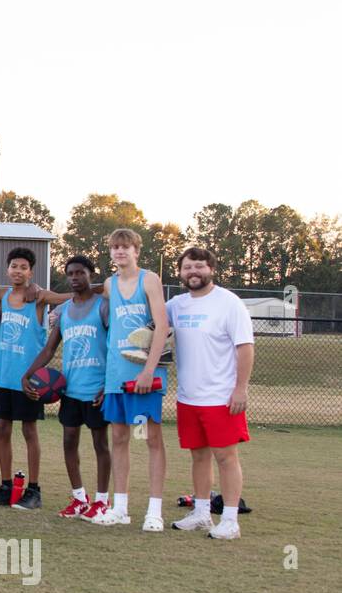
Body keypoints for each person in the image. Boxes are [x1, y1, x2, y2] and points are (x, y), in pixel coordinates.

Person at [166, 247, 254, 541]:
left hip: (221, 397)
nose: (193, 272)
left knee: (226, 457)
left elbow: (245, 347)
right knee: (198, 456)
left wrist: (240, 388)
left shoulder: (229, 303)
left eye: (199, 266)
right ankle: (202, 513)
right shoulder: (176, 305)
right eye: (188, 267)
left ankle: (229, 520)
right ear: (180, 272)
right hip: (189, 396)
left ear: (211, 270)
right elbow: (150, 321)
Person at [89, 228, 170, 530]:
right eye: (115, 247)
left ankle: (154, 511)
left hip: (144, 373)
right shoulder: (110, 284)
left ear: (137, 250)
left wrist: (149, 369)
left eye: (126, 247)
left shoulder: (149, 279)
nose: (120, 252)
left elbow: (161, 327)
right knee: (119, 438)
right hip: (116, 375)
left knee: (151, 439)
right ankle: (120, 507)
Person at [22, 256, 112, 519]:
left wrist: (109, 384)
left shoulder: (103, 307)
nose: (74, 277)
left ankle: (102, 500)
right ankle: (79, 498)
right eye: (70, 273)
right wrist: (28, 374)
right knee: (69, 441)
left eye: (80, 272)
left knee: (100, 444)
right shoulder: (63, 311)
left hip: (97, 388)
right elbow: (50, 349)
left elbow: (116, 347)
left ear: (90, 274)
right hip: (70, 389)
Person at [0, 247, 75, 511]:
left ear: (31, 271)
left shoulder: (39, 298)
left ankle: (34, 490)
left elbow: (69, 296)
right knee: (1, 429)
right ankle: (6, 487)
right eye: (14, 266)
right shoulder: (0, 296)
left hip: (30, 380)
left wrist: (37, 288)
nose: (18, 271)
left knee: (29, 431)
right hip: (4, 376)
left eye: (23, 267)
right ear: (7, 268)